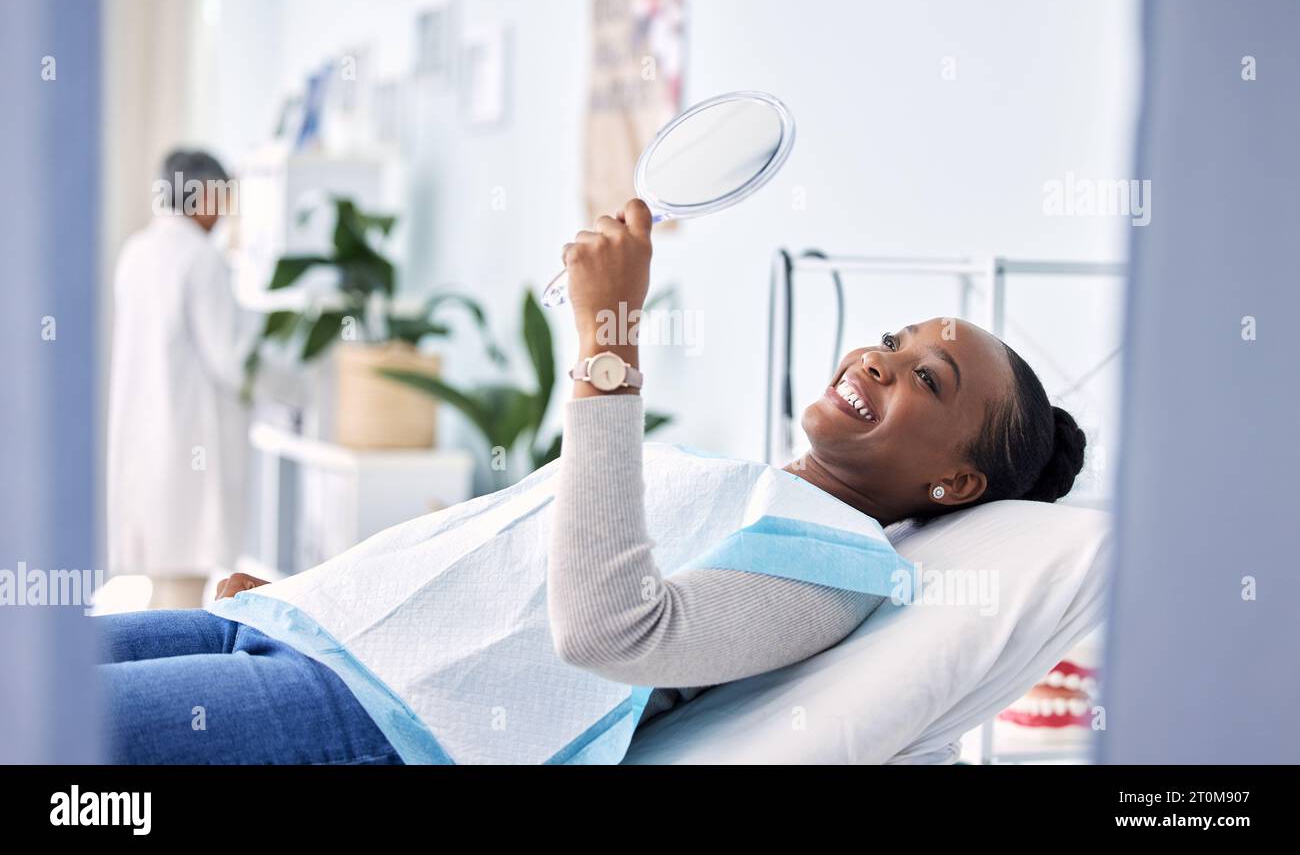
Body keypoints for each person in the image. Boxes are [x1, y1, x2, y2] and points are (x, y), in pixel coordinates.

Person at [95, 199, 1086, 763]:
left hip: (378, 724)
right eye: (888, 341)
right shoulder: (730, 474)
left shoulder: (838, 566)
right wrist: (320, 597)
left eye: (927, 379)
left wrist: (608, 345)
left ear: (956, 485)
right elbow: (495, 546)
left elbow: (607, 631)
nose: (878, 360)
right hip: (301, 630)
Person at [106, 149, 255, 610]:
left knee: (163, 586)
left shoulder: (137, 250)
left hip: (145, 434)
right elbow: (229, 360)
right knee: (183, 595)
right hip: (187, 440)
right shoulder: (200, 259)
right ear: (204, 195)